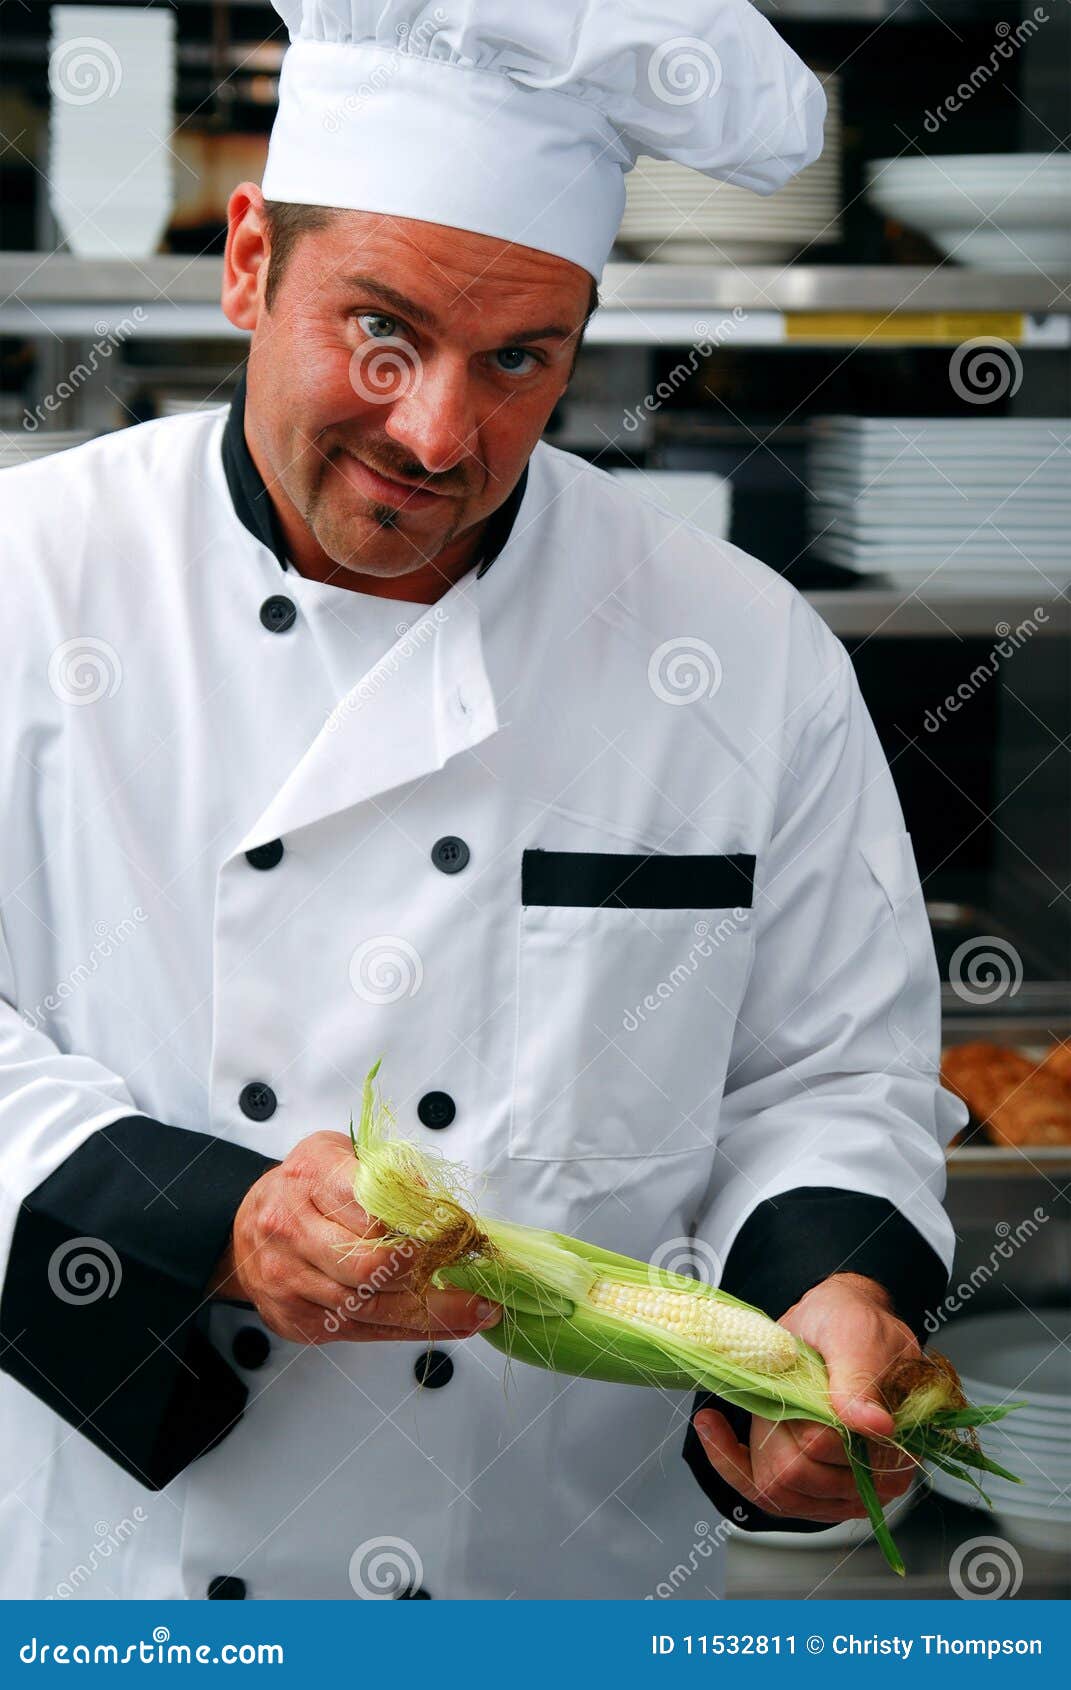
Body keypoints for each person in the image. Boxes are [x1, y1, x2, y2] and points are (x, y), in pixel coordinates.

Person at [0, 0, 966, 1600]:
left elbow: (827, 1075)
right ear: (249, 262)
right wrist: (206, 1218)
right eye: (382, 333)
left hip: (550, 1581)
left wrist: (832, 1298)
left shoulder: (738, 651)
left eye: (520, 359)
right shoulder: (29, 585)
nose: (439, 431)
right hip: (112, 1584)